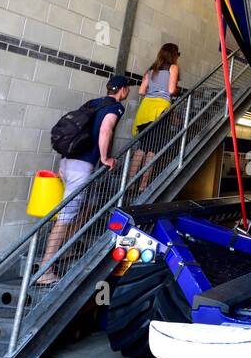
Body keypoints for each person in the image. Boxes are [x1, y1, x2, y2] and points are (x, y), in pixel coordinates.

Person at [38, 75, 131, 285]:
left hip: (68, 163)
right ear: (122, 90)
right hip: (82, 167)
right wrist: (105, 158)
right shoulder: (115, 107)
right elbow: (106, 129)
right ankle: (45, 270)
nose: (128, 92)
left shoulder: (93, 103)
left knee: (91, 202)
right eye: (127, 89)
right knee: (65, 217)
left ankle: (66, 247)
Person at [128, 43, 181, 192]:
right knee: (153, 149)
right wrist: (174, 91)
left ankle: (130, 182)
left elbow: (141, 91)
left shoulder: (151, 69)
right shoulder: (173, 67)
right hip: (160, 109)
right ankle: (143, 185)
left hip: (145, 108)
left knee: (142, 147)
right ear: (174, 54)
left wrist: (153, 92)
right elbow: (171, 90)